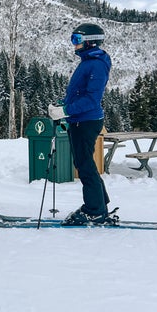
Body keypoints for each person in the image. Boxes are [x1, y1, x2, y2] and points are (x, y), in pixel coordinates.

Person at [48, 23, 113, 226]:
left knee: (84, 166)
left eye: (77, 39)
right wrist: (63, 105)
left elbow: (92, 99)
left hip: (86, 121)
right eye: (73, 39)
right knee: (85, 164)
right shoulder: (88, 62)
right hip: (80, 120)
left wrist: (66, 111)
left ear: (90, 41)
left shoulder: (96, 65)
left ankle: (94, 211)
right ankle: (100, 205)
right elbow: (79, 93)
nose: (74, 44)